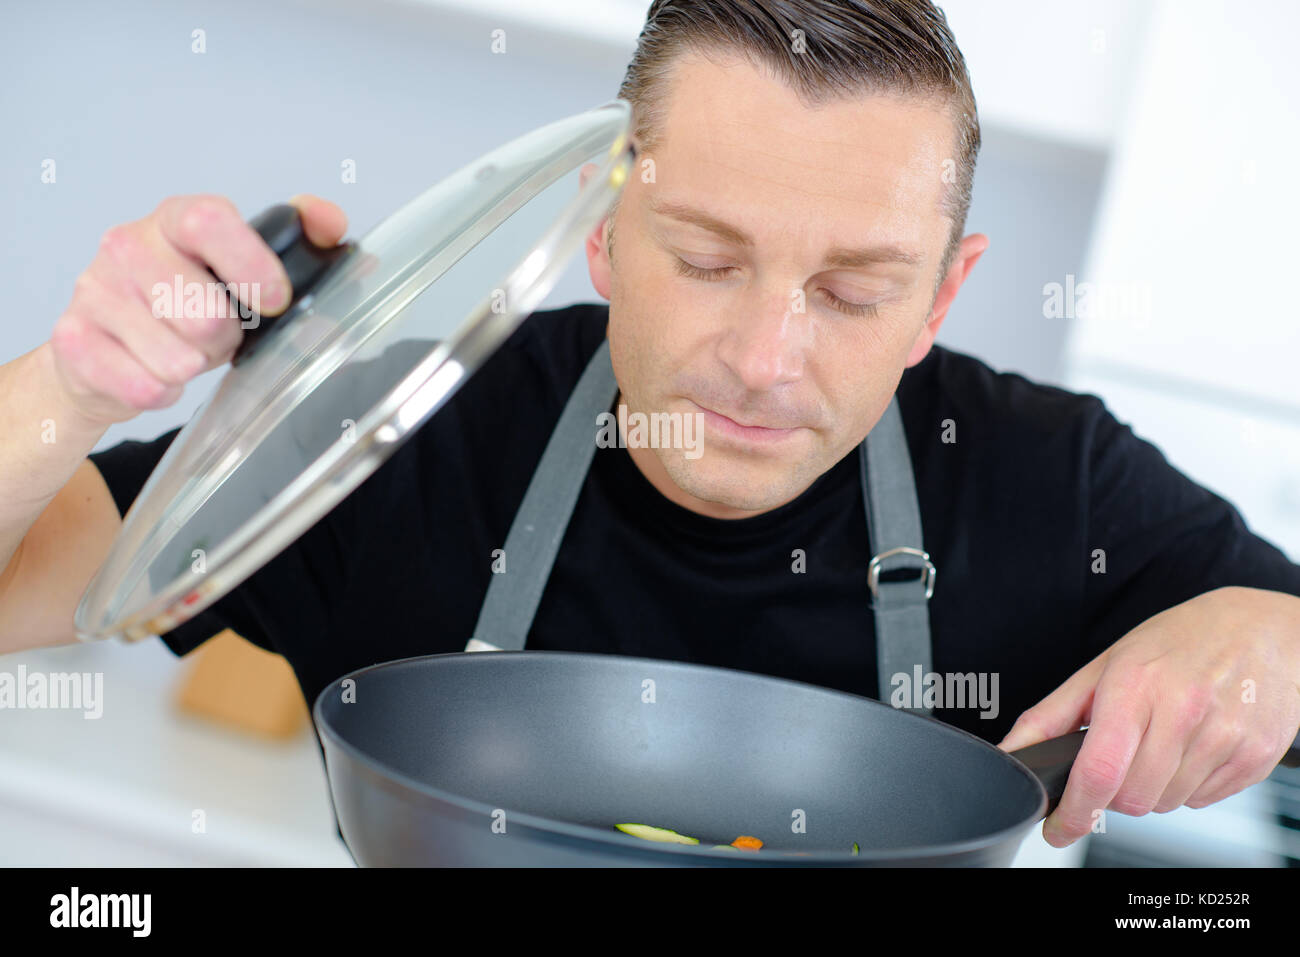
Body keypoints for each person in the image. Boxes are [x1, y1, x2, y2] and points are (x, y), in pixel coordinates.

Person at [2, 0, 1298, 851]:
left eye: (854, 292)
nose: (765, 361)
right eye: (706, 259)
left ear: (940, 300)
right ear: (607, 229)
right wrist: (75, 383)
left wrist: (1267, 636)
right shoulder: (405, 437)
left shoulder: (1050, 481)